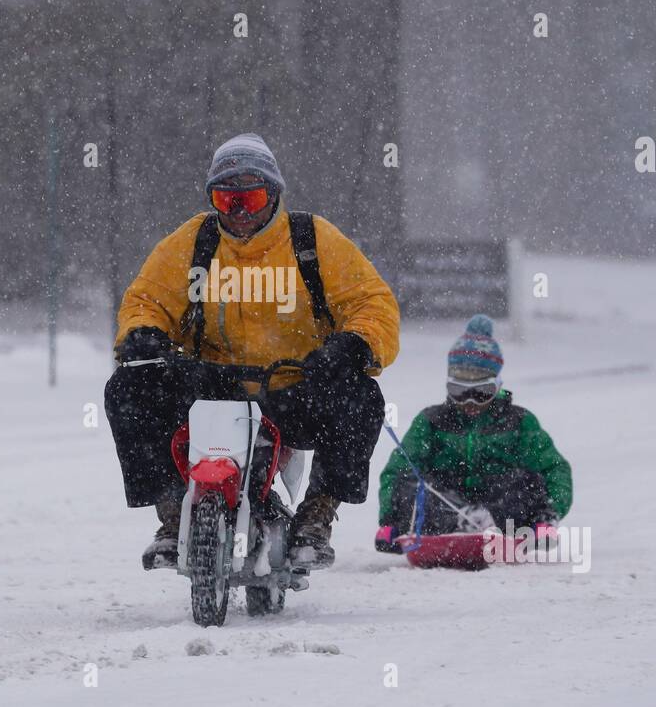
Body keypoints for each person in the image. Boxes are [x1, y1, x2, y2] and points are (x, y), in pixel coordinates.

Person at [105, 133, 399, 571]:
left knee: (361, 397)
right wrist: (143, 334)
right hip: (210, 388)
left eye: (251, 197)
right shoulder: (195, 243)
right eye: (226, 200)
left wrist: (351, 345)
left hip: (294, 388)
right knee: (127, 388)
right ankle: (171, 516)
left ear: (274, 194)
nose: (239, 212)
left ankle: (317, 515)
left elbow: (371, 302)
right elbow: (147, 300)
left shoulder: (312, 240)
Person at [375, 314, 571, 551]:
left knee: (527, 482)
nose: (469, 402)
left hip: (503, 510)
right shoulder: (431, 421)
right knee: (414, 483)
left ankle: (489, 522)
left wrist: (550, 514)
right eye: (459, 391)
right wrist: (389, 520)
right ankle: (461, 521)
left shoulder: (519, 421)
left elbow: (554, 468)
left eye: (481, 392)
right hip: (446, 507)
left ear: (497, 386)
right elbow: (398, 469)